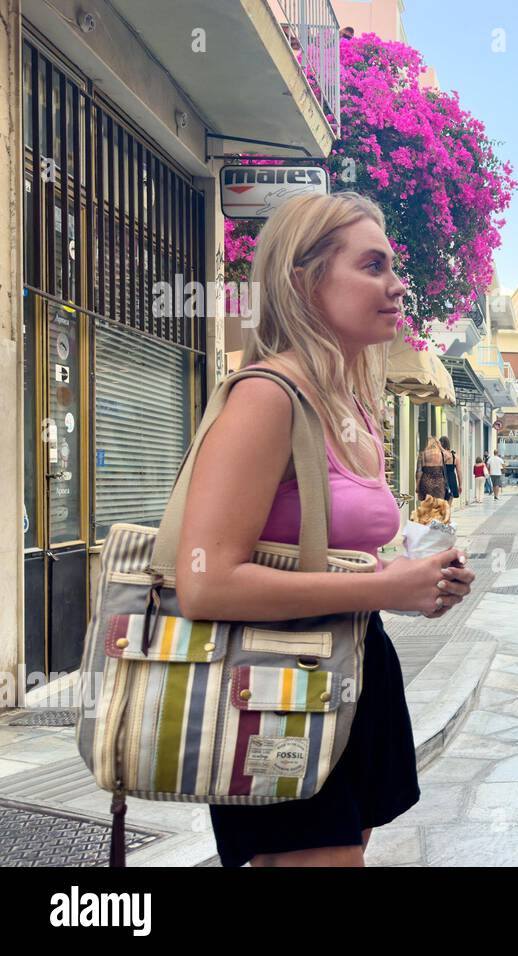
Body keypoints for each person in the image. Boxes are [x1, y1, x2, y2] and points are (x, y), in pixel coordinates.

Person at [174, 192, 476, 867]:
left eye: (393, 266)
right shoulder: (264, 398)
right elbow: (205, 584)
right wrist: (384, 587)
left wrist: (416, 578)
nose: (397, 284)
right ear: (305, 282)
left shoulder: (351, 407)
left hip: (352, 664)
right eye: (373, 266)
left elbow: (337, 552)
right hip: (273, 681)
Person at [418, 436, 448, 505]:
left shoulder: (423, 454)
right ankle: (437, 515)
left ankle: (428, 515)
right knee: (439, 504)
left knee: (427, 505)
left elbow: (419, 472)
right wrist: (440, 446)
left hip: (426, 482)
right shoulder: (441, 454)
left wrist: (417, 486)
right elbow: (448, 456)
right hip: (439, 482)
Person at [439, 435, 461, 520]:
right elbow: (459, 472)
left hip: (441, 479)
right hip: (452, 479)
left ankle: (442, 519)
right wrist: (460, 484)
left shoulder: (439, 455)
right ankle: (446, 520)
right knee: (449, 504)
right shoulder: (455, 457)